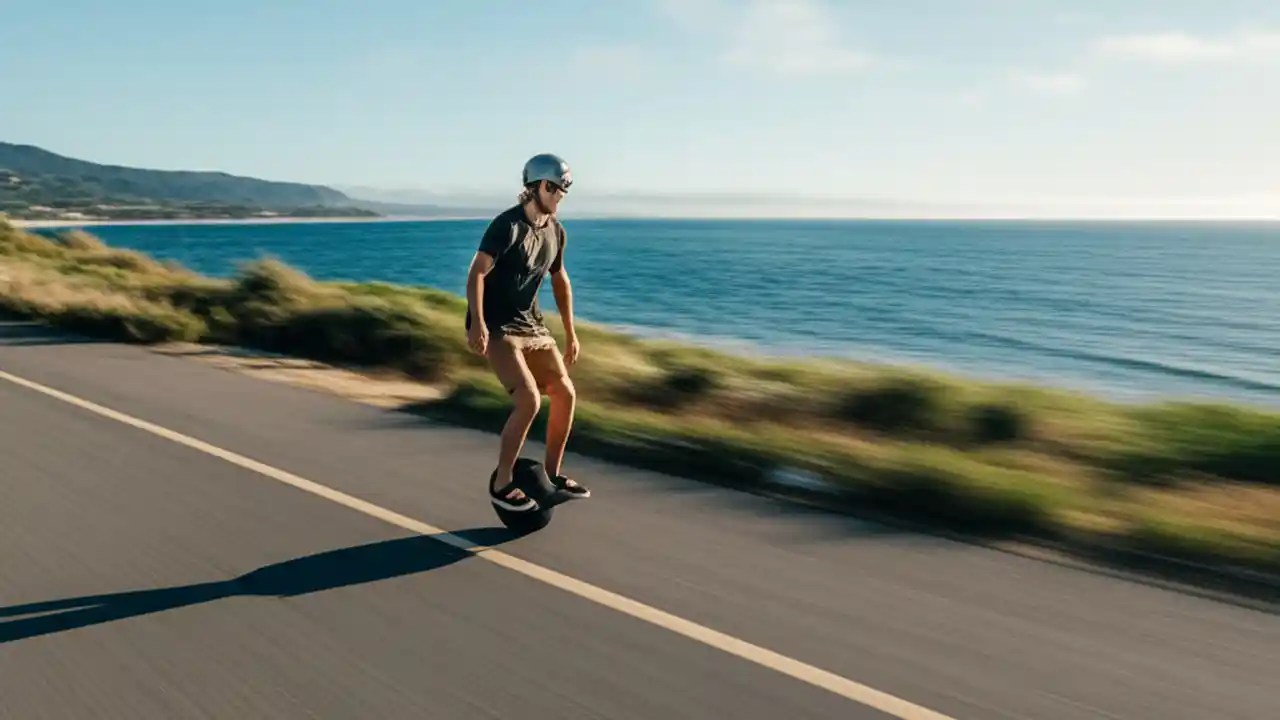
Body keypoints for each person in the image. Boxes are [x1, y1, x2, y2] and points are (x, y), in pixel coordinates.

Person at [465, 153, 591, 512]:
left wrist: (571, 333)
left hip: (530, 324)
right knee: (529, 400)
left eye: (564, 190)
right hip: (498, 326)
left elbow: (560, 280)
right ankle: (502, 482)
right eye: (557, 189)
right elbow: (477, 273)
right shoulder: (507, 226)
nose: (561, 196)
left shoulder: (556, 231)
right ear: (540, 186)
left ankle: (551, 476)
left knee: (565, 393)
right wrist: (478, 322)